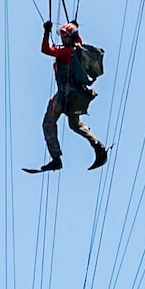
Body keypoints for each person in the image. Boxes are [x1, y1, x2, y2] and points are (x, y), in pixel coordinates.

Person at [26, 18, 107, 173]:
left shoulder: (67, 52)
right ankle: (98, 146)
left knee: (48, 123)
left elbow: (46, 50)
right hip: (77, 96)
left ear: (72, 37)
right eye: (62, 35)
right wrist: (74, 26)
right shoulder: (79, 48)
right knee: (75, 125)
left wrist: (46, 32)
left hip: (65, 95)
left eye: (65, 36)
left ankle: (56, 159)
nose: (62, 39)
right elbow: (77, 37)